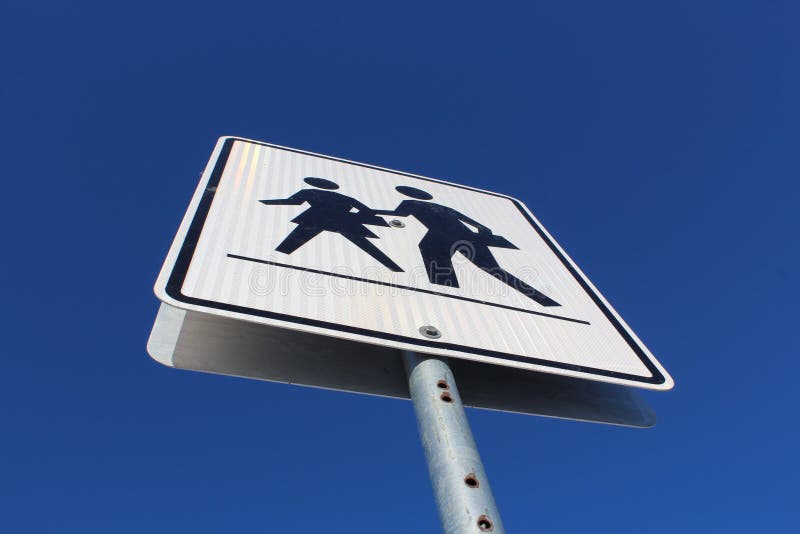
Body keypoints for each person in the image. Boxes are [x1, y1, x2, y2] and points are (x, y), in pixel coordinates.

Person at [375, 185, 559, 307]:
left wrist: (368, 213)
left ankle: (446, 301)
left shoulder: (410, 203)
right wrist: (482, 229)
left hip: (443, 236)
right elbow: (469, 221)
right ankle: (543, 300)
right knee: (491, 268)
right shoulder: (441, 206)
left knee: (440, 260)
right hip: (464, 235)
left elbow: (396, 214)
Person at [259, 177, 403, 272]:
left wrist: (266, 202)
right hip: (342, 221)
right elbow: (367, 211)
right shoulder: (345, 197)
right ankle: (394, 268)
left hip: (317, 219)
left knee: (289, 245)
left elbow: (291, 202)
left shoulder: (308, 191)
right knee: (367, 246)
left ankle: (394, 268)